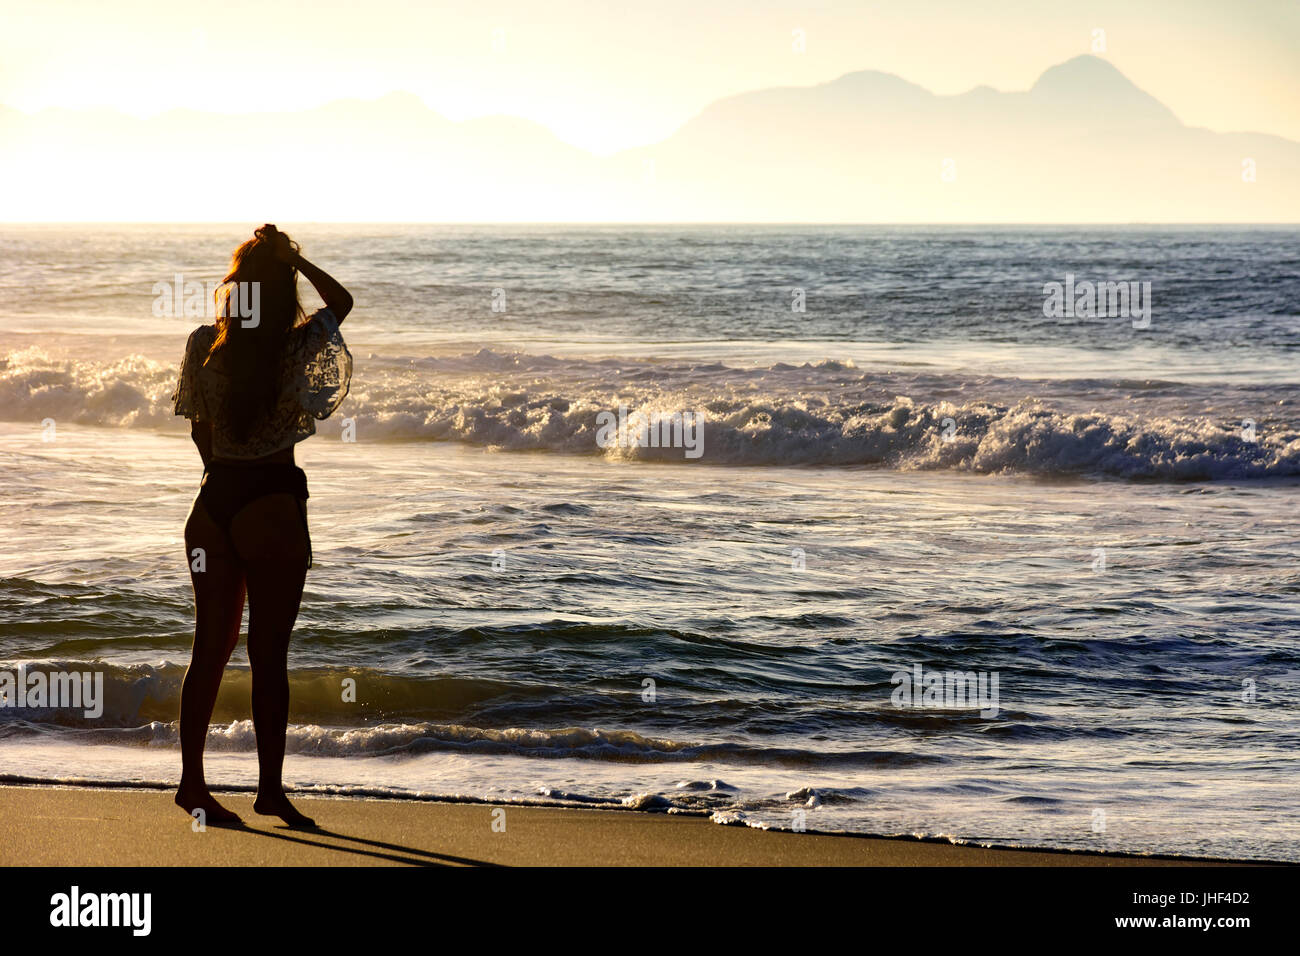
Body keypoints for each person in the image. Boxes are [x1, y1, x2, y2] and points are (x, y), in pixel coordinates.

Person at [171, 224, 353, 828]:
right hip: (271, 503)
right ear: (280, 290)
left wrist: (223, 479)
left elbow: (200, 430)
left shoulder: (204, 345)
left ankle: (192, 785)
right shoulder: (294, 346)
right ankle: (269, 792)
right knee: (269, 655)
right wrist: (294, 262)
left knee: (208, 653)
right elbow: (343, 303)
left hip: (212, 504)